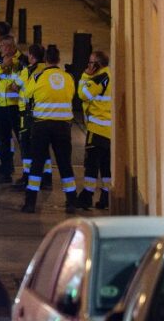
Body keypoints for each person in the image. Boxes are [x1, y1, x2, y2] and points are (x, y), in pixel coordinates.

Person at [21, 46, 78, 214]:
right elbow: (71, 95)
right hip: (63, 126)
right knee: (65, 164)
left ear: (45, 60)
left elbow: (27, 95)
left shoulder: (37, 76)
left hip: (42, 125)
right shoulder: (68, 77)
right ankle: (71, 201)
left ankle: (30, 203)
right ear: (58, 60)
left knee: (37, 164)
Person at [78, 51, 113, 210]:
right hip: (108, 130)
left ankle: (87, 196)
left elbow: (83, 94)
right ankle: (106, 197)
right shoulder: (110, 75)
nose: (88, 65)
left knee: (91, 164)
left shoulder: (99, 78)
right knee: (106, 165)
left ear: (97, 64)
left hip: (97, 129)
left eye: (91, 62)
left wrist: (85, 75)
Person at [13, 44, 51, 190]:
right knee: (43, 146)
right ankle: (47, 177)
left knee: (26, 145)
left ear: (31, 56)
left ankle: (27, 175)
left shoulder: (27, 71)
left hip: (27, 113)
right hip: (43, 113)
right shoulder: (46, 69)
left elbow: (15, 86)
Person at [0, 35, 22, 183]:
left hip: (16, 107)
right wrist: (2, 66)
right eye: (0, 46)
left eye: (3, 46)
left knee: (23, 141)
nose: (0, 49)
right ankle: (6, 171)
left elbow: (22, 81)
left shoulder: (21, 61)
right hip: (2, 107)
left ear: (11, 47)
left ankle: (28, 173)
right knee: (3, 141)